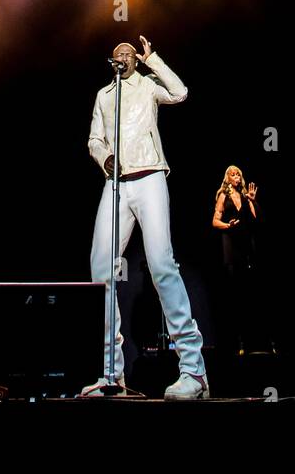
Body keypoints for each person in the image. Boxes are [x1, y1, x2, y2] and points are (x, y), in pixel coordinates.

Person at [81, 36, 208, 399]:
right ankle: (111, 376)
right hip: (117, 183)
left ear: (136, 59)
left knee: (162, 265)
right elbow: (94, 139)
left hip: (150, 176)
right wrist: (105, 159)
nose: (123, 57)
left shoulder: (150, 86)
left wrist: (155, 60)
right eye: (117, 53)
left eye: (129, 53)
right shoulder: (105, 95)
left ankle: (194, 372)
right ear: (112, 60)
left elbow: (181, 91)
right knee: (100, 269)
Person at [212, 165, 261, 353]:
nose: (237, 177)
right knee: (235, 290)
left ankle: (252, 340)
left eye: (238, 174)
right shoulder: (223, 195)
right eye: (233, 175)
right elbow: (215, 221)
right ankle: (235, 342)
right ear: (228, 178)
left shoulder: (244, 195)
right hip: (231, 244)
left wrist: (251, 201)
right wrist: (227, 225)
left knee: (250, 291)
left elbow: (255, 218)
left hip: (246, 244)